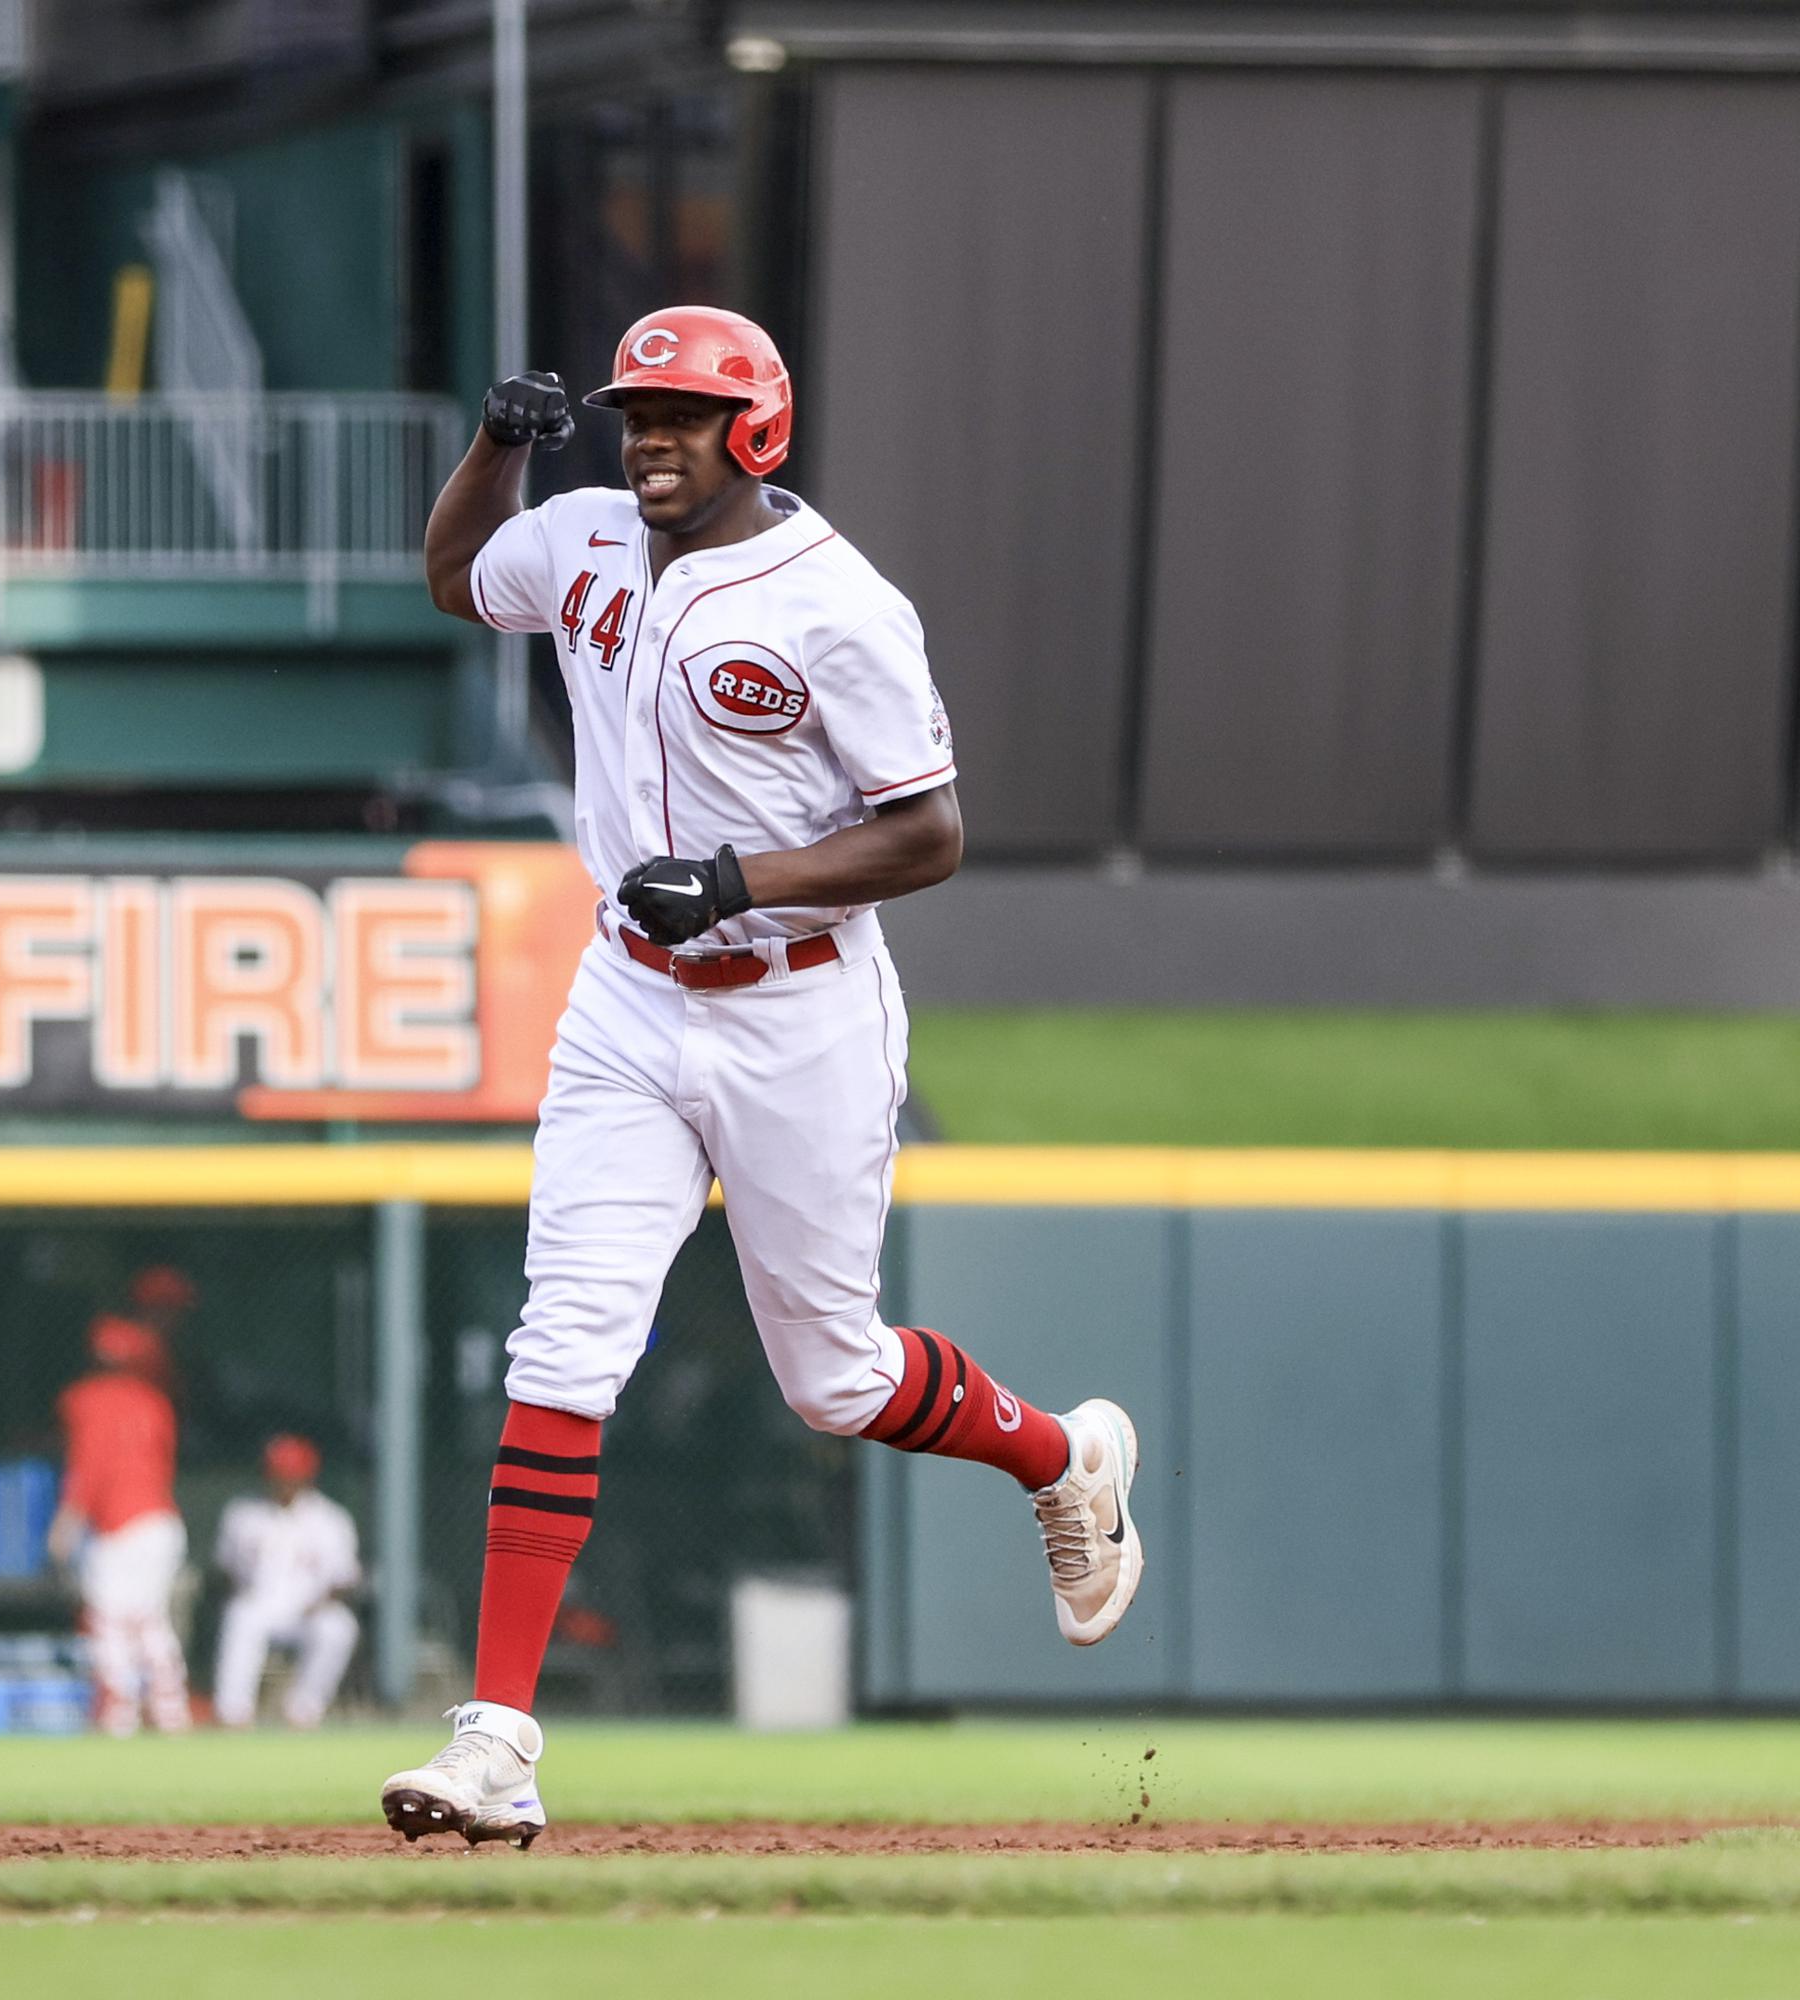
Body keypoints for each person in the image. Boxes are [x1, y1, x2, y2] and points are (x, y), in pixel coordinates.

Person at [380, 309, 1143, 1848]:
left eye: (682, 413)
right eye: (632, 411)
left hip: (801, 1004)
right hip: (627, 998)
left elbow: (928, 833)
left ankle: (1065, 1460)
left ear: (759, 431)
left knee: (835, 1378)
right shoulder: (587, 534)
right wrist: (498, 448)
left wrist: (738, 881)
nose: (648, 436)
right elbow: (459, 577)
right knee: (566, 1336)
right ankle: (496, 1742)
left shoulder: (840, 604)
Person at [50, 1314, 190, 1735]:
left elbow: (87, 1468)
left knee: (110, 1618)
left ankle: (117, 1709)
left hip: (120, 1525)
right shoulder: (156, 1401)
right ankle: (169, 1708)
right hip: (161, 1522)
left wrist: (65, 1523)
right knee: (147, 1618)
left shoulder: (83, 1398)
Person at [211, 1434, 360, 1730]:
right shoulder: (243, 1513)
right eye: (279, 1476)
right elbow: (223, 1570)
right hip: (260, 1603)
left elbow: (345, 1579)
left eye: (292, 1477)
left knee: (338, 1627)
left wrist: (320, 1603)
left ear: (308, 1477)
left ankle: (303, 1710)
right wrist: (240, 1591)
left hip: (310, 1608)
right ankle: (233, 1712)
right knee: (240, 1616)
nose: (285, 1483)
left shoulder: (331, 1519)